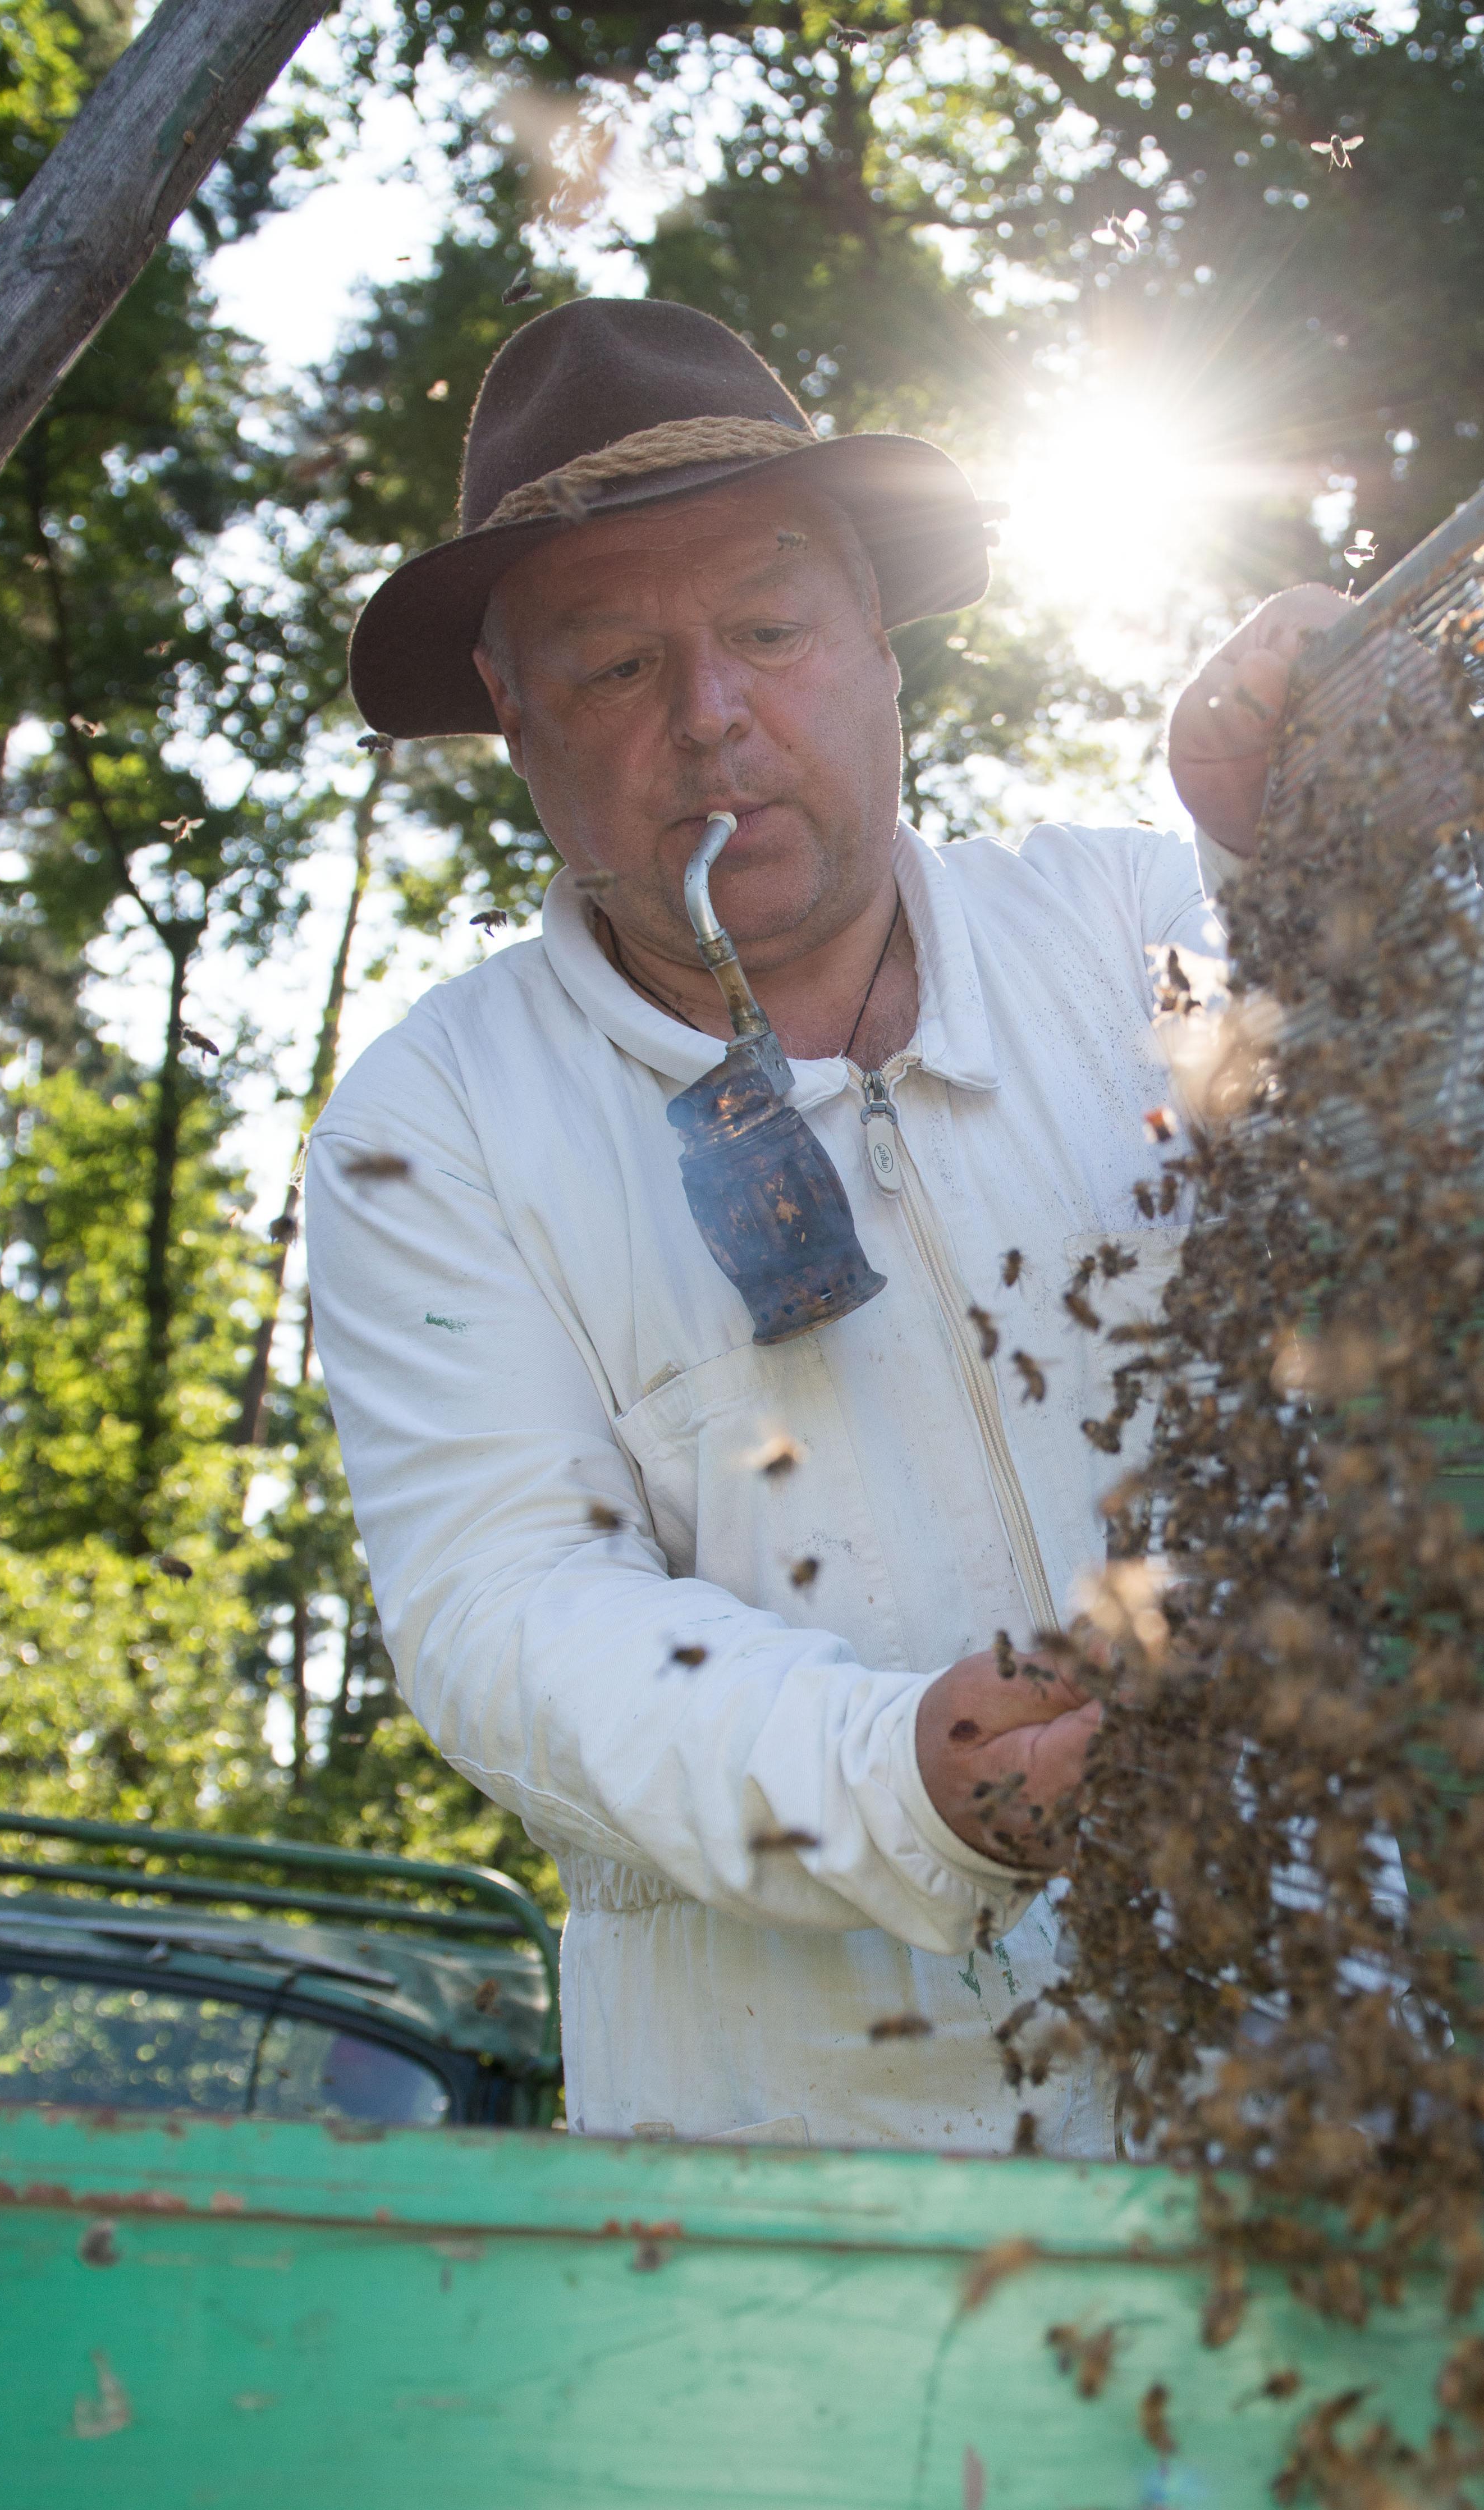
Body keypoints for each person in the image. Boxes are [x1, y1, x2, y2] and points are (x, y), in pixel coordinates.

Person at [307, 296, 1344, 2154]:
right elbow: (503, 1612)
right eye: (617, 669)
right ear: (512, 721)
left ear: (880, 644)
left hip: (1326, 2084)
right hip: (805, 2199)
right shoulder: (437, 1120)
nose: (713, 721)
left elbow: (1440, 1168)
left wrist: (1337, 850)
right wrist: (895, 1777)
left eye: (771, 633)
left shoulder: (1146, 929)